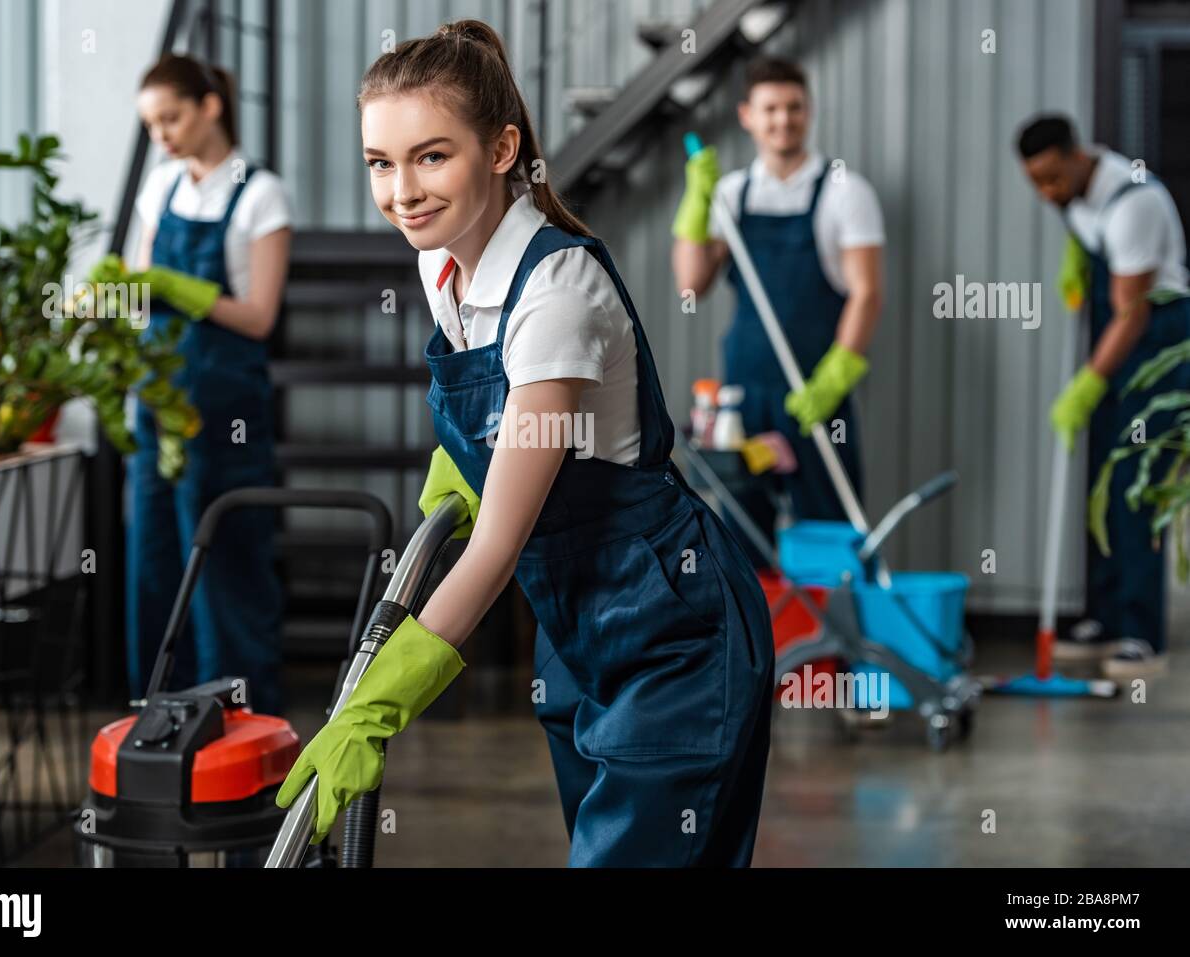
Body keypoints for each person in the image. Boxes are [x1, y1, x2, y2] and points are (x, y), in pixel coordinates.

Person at [276, 19, 775, 867]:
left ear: (502, 147)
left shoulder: (557, 297)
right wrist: (466, 468)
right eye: (380, 163)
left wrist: (373, 707)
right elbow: (501, 430)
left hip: (671, 629)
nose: (402, 191)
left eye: (432, 156)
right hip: (576, 627)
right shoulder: (446, 267)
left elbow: (497, 547)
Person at [124, 53, 292, 714]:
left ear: (209, 107)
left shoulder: (259, 194)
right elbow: (139, 296)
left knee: (225, 561)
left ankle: (238, 718)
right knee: (156, 559)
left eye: (170, 117)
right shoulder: (159, 190)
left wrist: (179, 288)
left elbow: (258, 317)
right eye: (151, 125)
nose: (161, 135)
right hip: (156, 407)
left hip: (225, 411)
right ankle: (160, 718)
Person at [670, 57, 885, 568]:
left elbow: (867, 292)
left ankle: (829, 642)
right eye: (770, 109)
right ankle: (763, 643)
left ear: (808, 111)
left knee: (828, 526)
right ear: (748, 115)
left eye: (794, 108)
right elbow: (691, 283)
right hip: (744, 392)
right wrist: (696, 205)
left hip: (815, 390)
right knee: (744, 529)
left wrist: (839, 373)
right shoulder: (730, 194)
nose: (783, 120)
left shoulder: (844, 192)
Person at [1017, 113, 1190, 678]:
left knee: (1136, 487)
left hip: (1156, 347)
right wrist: (1076, 261)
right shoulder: (1076, 198)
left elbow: (1132, 311)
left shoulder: (1132, 204)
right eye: (1035, 182)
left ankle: (1142, 636)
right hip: (1119, 342)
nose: (1047, 192)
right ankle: (1107, 616)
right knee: (1099, 484)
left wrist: (1086, 385)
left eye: (1052, 179)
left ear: (1076, 155)